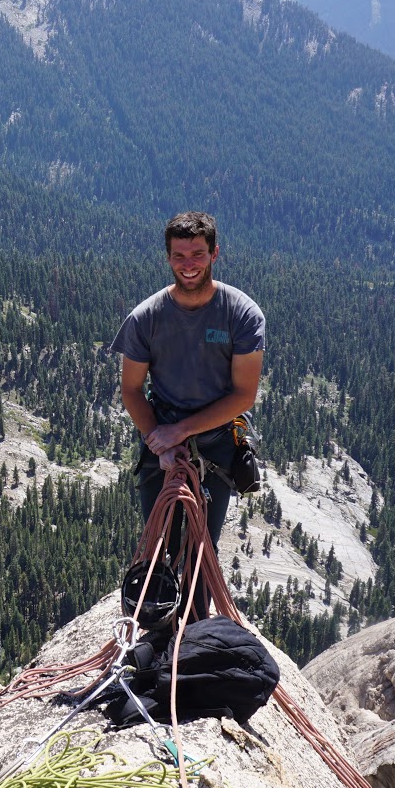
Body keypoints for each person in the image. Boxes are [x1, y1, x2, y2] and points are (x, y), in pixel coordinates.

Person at [111, 211, 265, 559]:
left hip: (215, 442)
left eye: (198, 254)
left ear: (215, 253)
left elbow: (244, 395)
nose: (189, 264)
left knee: (202, 551)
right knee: (157, 547)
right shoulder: (145, 318)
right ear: (168, 258)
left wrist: (177, 433)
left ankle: (196, 611)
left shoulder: (242, 314)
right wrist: (160, 442)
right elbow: (132, 390)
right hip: (161, 436)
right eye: (179, 256)